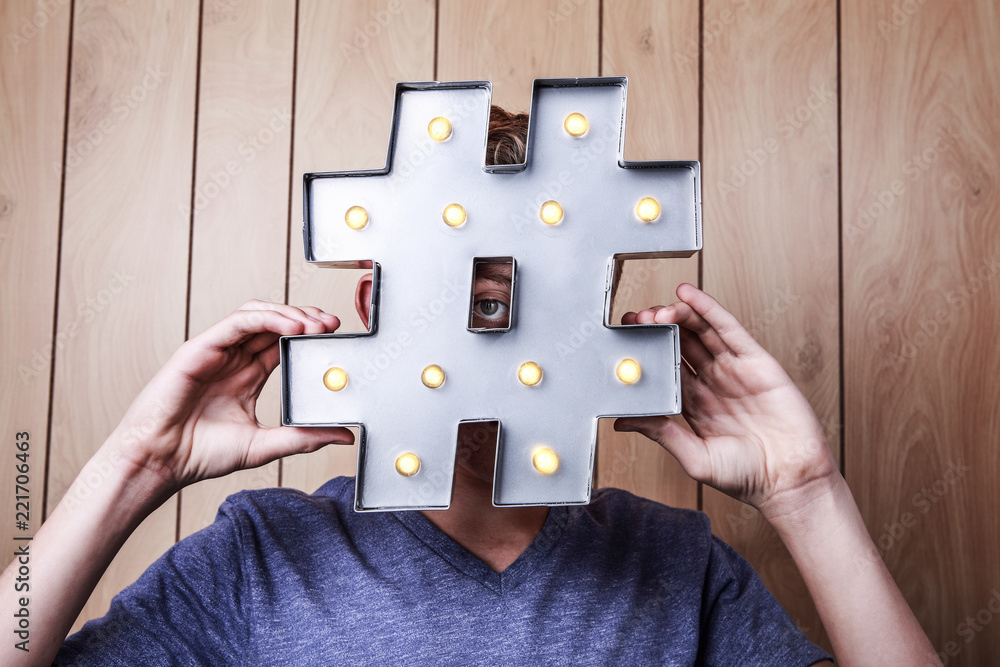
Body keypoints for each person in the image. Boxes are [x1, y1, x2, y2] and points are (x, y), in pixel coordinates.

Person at [0, 109, 937, 666]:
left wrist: (808, 492)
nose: (518, 349)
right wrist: (133, 465)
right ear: (376, 300)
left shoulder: (676, 562)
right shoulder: (260, 556)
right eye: (487, 301)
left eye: (558, 307)